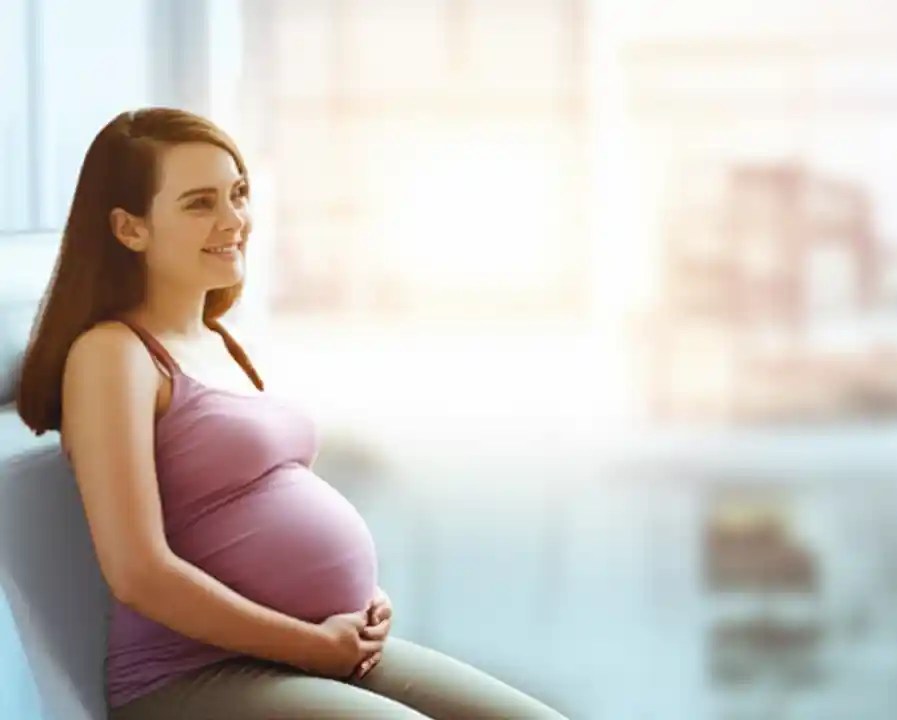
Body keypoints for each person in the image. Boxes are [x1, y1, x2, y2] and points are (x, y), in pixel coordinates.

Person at [15, 108, 567, 719]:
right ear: (130, 228)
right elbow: (138, 571)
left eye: (239, 193)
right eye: (200, 203)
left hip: (314, 650)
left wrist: (362, 599)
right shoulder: (113, 355)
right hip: (190, 676)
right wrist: (311, 644)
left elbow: (266, 499)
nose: (234, 221)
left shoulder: (223, 342)